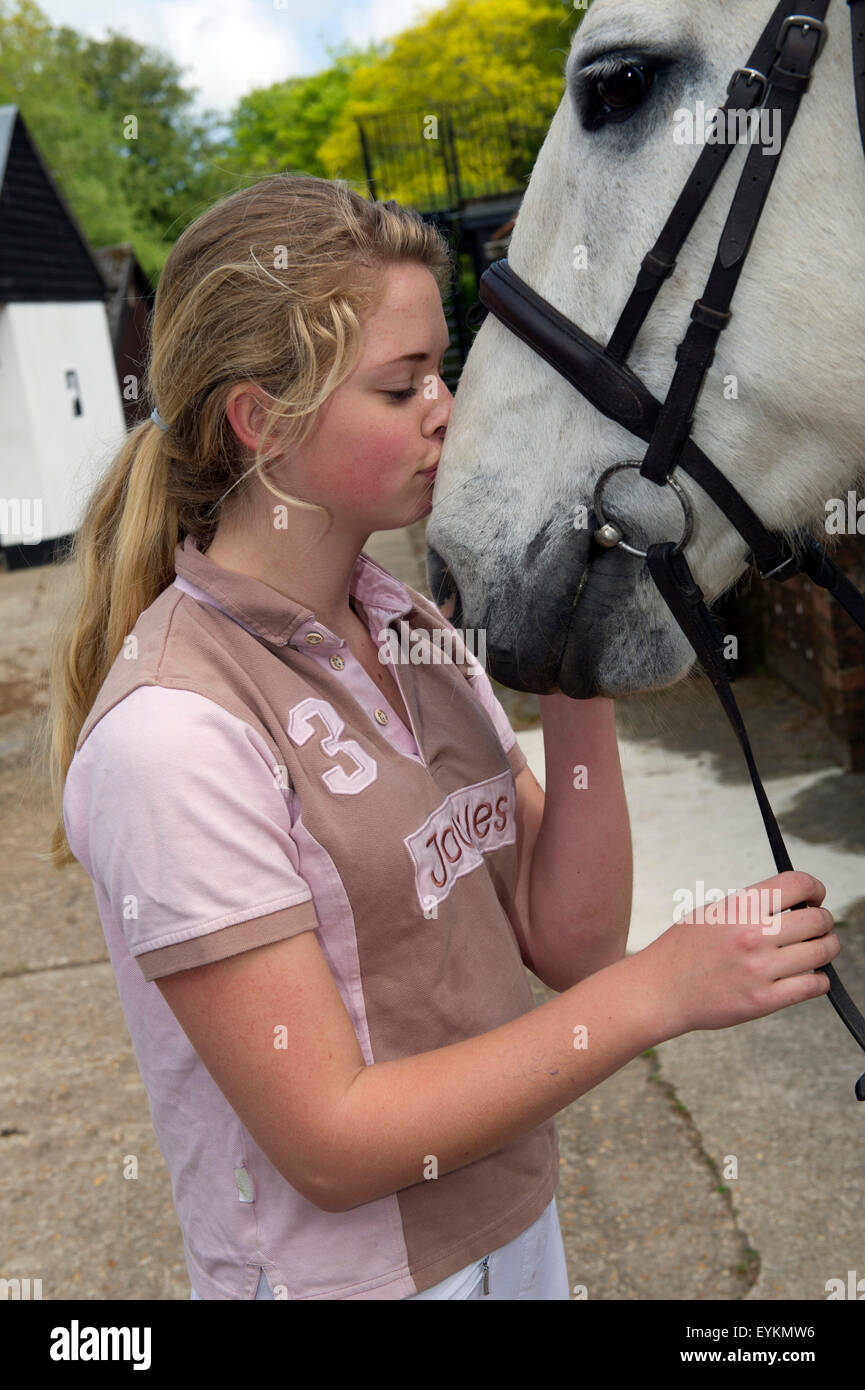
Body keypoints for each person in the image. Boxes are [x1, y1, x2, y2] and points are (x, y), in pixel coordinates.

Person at [37, 173, 840, 1301]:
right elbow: (331, 1139)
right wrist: (659, 993)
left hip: (511, 1218)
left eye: (441, 371)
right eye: (402, 384)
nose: (446, 408)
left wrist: (574, 673)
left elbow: (564, 940)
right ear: (261, 423)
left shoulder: (406, 626)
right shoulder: (172, 737)